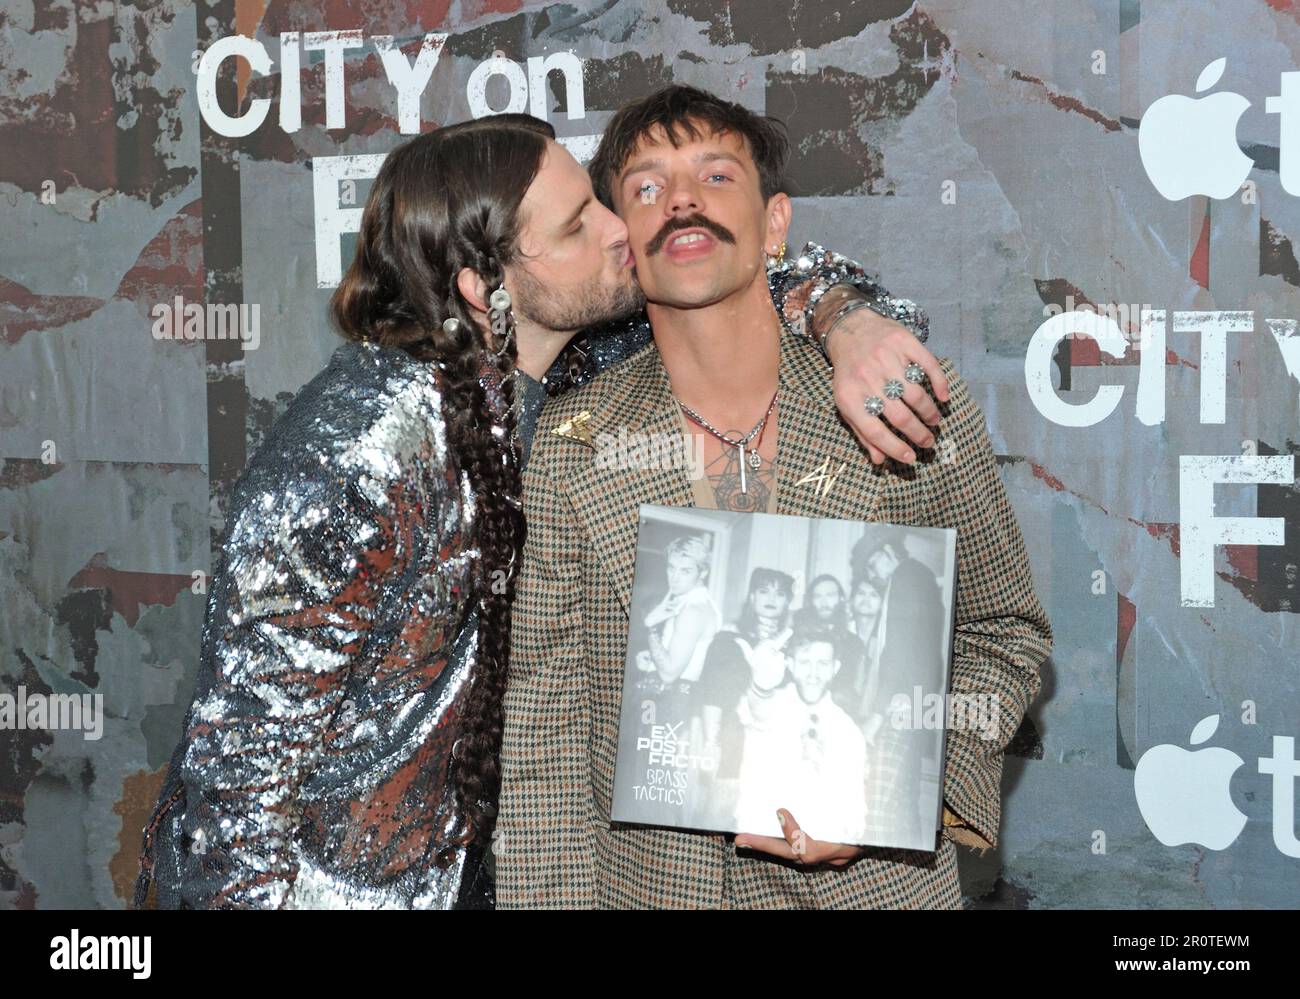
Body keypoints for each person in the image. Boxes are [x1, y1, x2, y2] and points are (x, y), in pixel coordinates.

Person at [132, 110, 938, 909]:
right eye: (578, 224)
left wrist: (848, 321)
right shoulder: (352, 457)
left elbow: (751, 272)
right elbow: (238, 784)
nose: (621, 227)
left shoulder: (577, 363)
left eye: (598, 201)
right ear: (487, 290)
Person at [497, 84, 1054, 909]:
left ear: (778, 224)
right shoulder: (571, 446)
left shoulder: (905, 400)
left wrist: (895, 790)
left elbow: (1004, 635)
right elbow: (544, 745)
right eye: (647, 186)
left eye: (715, 176)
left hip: (876, 890)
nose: (681, 199)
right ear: (624, 239)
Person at [733, 623, 868, 846]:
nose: (813, 673)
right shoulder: (773, 704)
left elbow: (854, 812)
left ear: (835, 668)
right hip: (761, 837)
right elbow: (757, 710)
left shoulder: (848, 731)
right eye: (805, 662)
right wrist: (761, 684)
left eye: (823, 663)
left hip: (820, 847)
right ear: (791, 665)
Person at [634, 533, 720, 726]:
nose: (674, 578)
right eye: (671, 568)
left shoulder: (693, 610)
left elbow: (669, 674)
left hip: (669, 698)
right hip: (671, 697)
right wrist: (652, 656)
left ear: (703, 573)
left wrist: (652, 627)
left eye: (685, 571)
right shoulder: (694, 603)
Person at [793, 573, 868, 714]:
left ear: (841, 599)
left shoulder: (854, 643)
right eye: (818, 596)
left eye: (830, 595)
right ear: (810, 602)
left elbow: (854, 689)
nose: (824, 602)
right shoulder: (797, 637)